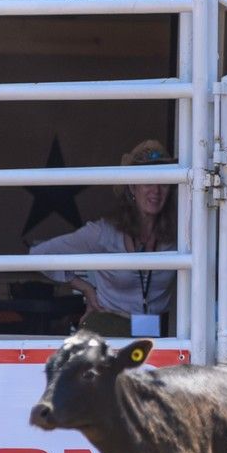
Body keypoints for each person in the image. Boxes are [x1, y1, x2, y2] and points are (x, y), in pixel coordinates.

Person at [30, 139, 176, 337]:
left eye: (164, 182)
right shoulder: (105, 232)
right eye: (148, 181)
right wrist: (86, 289)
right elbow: (40, 254)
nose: (156, 190)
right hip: (108, 327)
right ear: (132, 187)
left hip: (160, 332)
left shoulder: (179, 234)